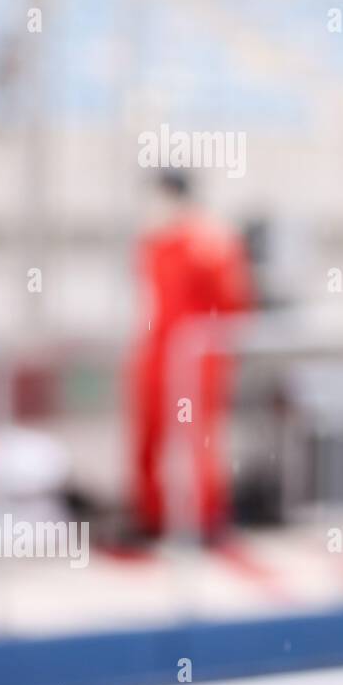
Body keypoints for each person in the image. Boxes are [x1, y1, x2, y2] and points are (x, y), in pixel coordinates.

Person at [125, 167, 252, 545]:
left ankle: (207, 518)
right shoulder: (154, 244)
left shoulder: (210, 244)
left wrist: (215, 350)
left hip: (197, 357)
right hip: (157, 351)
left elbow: (233, 305)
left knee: (199, 442)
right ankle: (151, 516)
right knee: (147, 435)